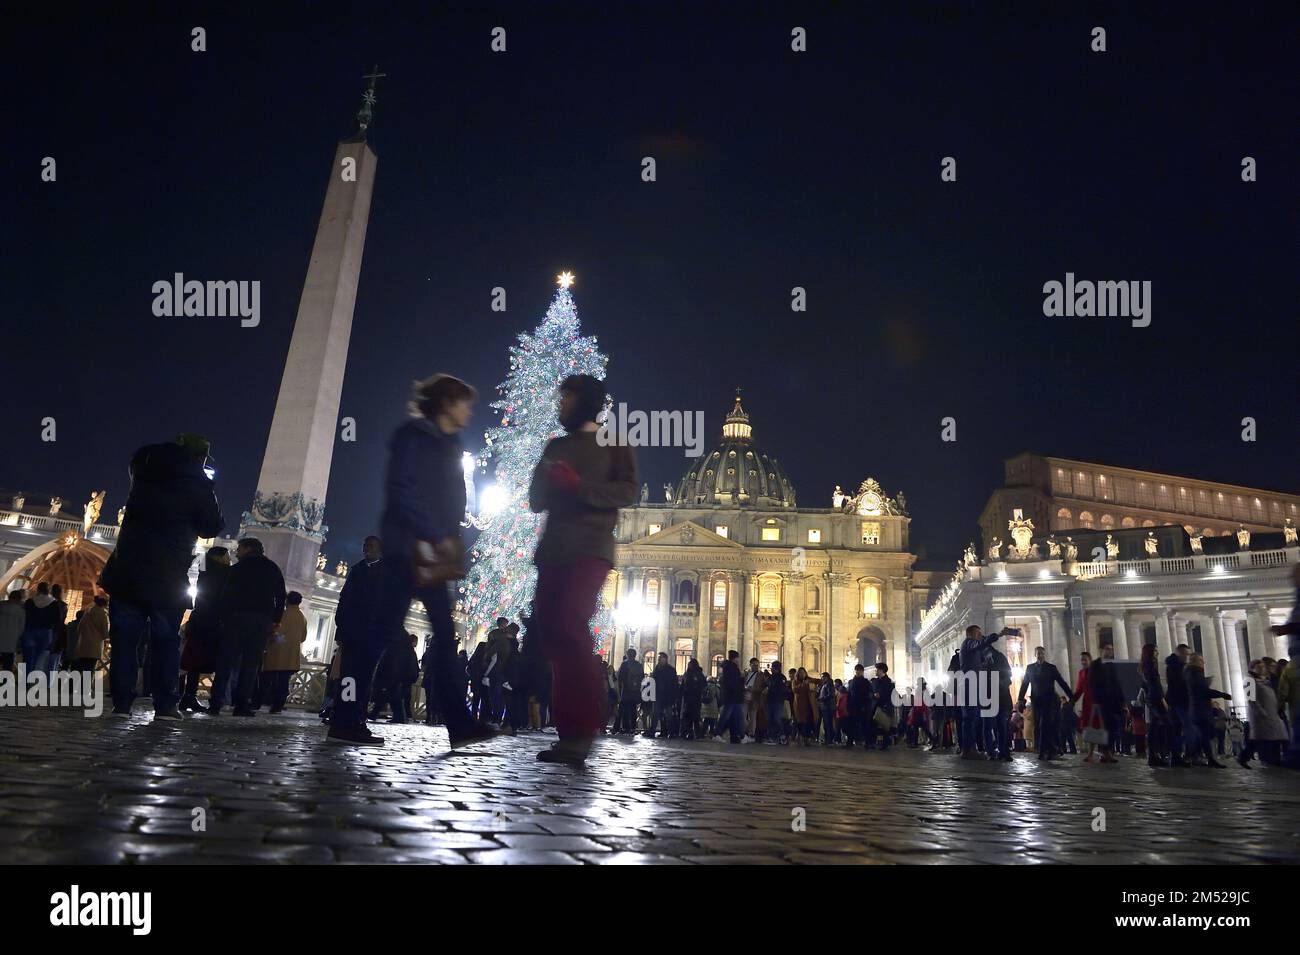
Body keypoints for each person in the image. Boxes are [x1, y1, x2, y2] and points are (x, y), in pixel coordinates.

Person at [332, 374, 496, 749]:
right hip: (407, 549)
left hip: (431, 552)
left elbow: (452, 499)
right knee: (379, 637)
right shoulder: (413, 437)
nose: (470, 410)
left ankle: (459, 723)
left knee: (441, 632)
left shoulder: (450, 444)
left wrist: (448, 537)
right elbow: (402, 490)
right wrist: (435, 534)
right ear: (445, 404)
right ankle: (346, 715)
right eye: (464, 403)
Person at [527, 375, 637, 764]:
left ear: (585, 402)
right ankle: (567, 732)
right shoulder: (556, 446)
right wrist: (547, 479)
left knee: (572, 625)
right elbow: (535, 501)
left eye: (566, 398)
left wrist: (579, 486)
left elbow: (627, 491)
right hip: (553, 549)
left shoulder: (615, 443)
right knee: (553, 634)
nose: (560, 405)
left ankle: (585, 725)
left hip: (591, 548)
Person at [99, 433, 225, 719]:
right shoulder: (198, 485)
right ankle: (166, 705)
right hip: (167, 577)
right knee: (166, 642)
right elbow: (211, 527)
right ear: (199, 458)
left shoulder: (144, 471)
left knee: (124, 641)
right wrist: (208, 488)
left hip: (126, 571)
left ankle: (121, 703)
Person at [211, 538, 285, 718]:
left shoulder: (236, 569)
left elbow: (225, 595)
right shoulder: (272, 568)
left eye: (239, 548)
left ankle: (215, 704)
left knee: (226, 662)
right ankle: (242, 705)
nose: (237, 552)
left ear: (248, 549)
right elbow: (281, 596)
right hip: (262, 621)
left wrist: (222, 617)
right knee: (251, 665)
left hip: (236, 618)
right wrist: (275, 620)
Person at [179, 546, 229, 713]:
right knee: (214, 662)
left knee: (194, 663)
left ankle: (188, 696)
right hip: (213, 623)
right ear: (219, 557)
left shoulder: (205, 570)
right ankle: (214, 700)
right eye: (227, 556)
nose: (230, 559)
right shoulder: (223, 573)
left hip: (198, 622)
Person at [958, 624, 1016, 758]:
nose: (980, 635)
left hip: (973, 685)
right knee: (970, 718)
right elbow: (980, 643)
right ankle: (968, 750)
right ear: (970, 634)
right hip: (970, 685)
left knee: (973, 718)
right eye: (978, 633)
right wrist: (999, 635)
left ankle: (970, 748)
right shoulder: (969, 643)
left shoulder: (975, 649)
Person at [1018, 646, 1073, 761]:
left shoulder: (1051, 668)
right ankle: (1048, 749)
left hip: (1050, 701)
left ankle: (1043, 751)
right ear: (1035, 654)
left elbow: (1061, 682)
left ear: (1045, 654)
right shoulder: (1030, 668)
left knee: (1045, 725)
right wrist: (1020, 699)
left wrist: (1072, 696)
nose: (1040, 655)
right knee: (1039, 726)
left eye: (1042, 653)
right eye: (1038, 653)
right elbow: (1025, 684)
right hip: (1037, 702)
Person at [261, 590, 307, 713]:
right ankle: (278, 706)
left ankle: (259, 702)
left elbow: (272, 632)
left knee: (268, 681)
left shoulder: (282, 614)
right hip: (291, 657)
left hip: (275, 654)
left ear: (287, 601)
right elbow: (303, 638)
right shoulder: (302, 617)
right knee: (283, 683)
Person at [1185, 653, 1230, 768]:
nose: (1203, 663)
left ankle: (1196, 756)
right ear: (1195, 661)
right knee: (1205, 735)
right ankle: (1206, 758)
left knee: (1203, 735)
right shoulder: (1195, 673)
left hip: (1197, 709)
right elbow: (1203, 691)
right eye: (1201, 660)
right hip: (1200, 709)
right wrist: (1222, 694)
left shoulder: (1191, 673)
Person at [1239, 659, 1287, 767]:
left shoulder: (1264, 680)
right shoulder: (1249, 680)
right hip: (1260, 716)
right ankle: (1244, 757)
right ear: (1252, 668)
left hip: (1271, 714)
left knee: (1264, 739)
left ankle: (1271, 759)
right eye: (1258, 667)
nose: (1261, 669)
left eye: (1262, 667)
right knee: (1259, 739)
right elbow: (1251, 700)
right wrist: (1261, 712)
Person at [1087, 643, 1125, 764]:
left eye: (1111, 649)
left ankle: (1108, 752)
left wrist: (1122, 700)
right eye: (1108, 649)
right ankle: (1105, 753)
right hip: (1101, 702)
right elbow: (1091, 684)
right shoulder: (1095, 665)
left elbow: (1117, 684)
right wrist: (1095, 701)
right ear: (1101, 650)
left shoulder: (1112, 665)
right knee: (1104, 728)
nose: (1110, 652)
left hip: (1113, 702)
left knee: (1113, 728)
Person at [1139, 643, 1170, 767]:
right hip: (1156, 699)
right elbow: (1154, 684)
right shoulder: (1150, 666)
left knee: (1155, 727)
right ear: (1150, 652)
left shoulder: (1146, 666)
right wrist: (1162, 699)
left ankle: (1155, 755)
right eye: (1155, 651)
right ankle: (1156, 754)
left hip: (1152, 699)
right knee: (1159, 727)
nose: (1157, 653)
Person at [21, 582, 62, 676]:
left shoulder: (30, 602)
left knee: (28, 657)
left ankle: (26, 680)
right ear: (49, 591)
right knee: (38, 658)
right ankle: (33, 679)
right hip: (46, 633)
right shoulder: (54, 603)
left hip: (30, 631)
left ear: (38, 590)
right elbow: (57, 620)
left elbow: (25, 617)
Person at [1164, 644, 1193, 766]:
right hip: (1179, 702)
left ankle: (1177, 756)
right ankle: (1180, 755)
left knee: (1178, 730)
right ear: (1179, 653)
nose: (1187, 657)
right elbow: (1178, 684)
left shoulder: (1175, 666)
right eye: (1185, 654)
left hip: (1176, 702)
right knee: (1187, 730)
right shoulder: (1176, 668)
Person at [71, 596, 110, 672]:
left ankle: (73, 684)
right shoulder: (103, 615)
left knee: (79, 670)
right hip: (95, 648)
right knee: (89, 671)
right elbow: (105, 634)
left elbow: (79, 628)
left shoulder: (87, 613)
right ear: (105, 605)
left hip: (83, 646)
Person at [714, 650, 747, 743]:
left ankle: (741, 736)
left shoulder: (727, 667)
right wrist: (741, 679)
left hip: (733, 696)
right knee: (725, 716)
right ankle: (717, 734)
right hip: (732, 696)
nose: (739, 660)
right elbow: (733, 683)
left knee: (737, 717)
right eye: (738, 658)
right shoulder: (731, 668)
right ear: (735, 658)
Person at [647, 652, 677, 738]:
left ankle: (671, 732)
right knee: (655, 714)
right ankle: (652, 731)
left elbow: (674, 684)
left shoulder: (671, 670)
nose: (659, 660)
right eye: (658, 658)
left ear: (665, 659)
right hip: (658, 695)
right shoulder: (657, 668)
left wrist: (673, 696)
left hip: (667, 696)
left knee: (669, 716)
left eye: (660, 658)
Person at [1074, 651, 1097, 762]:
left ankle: (1106, 752)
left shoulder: (1097, 672)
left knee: (1100, 727)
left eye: (1085, 659)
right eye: (1082, 660)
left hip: (1098, 703)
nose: (1083, 662)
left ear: (1090, 660)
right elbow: (1079, 690)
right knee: (1089, 728)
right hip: (1087, 704)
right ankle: (1091, 753)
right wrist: (1072, 701)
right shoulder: (1081, 673)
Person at [615, 648, 644, 735]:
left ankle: (626, 728)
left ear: (627, 654)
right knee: (633, 710)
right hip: (635, 691)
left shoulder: (625, 664)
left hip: (626, 690)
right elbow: (642, 677)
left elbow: (620, 677)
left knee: (625, 710)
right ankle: (633, 728)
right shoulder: (638, 665)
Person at [846, 663, 872, 749]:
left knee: (864, 725)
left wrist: (865, 706)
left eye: (859, 670)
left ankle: (867, 742)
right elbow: (849, 694)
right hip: (852, 706)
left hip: (861, 706)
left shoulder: (866, 682)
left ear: (862, 672)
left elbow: (867, 695)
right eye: (857, 670)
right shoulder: (851, 682)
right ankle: (850, 741)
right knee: (851, 725)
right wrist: (848, 705)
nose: (858, 672)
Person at [870, 662, 896, 750]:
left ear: (881, 670)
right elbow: (870, 692)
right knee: (872, 724)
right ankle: (872, 742)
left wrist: (881, 695)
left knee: (884, 725)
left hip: (884, 706)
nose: (875, 671)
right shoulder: (874, 681)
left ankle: (885, 743)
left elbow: (891, 695)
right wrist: (874, 695)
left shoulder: (889, 682)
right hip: (875, 706)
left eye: (877, 670)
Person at [0, 590, 26, 673]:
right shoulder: (21, 612)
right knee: (7, 665)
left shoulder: (1, 607)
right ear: (19, 599)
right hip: (11, 642)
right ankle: (5, 682)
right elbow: (21, 628)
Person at [680, 658, 705, 740]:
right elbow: (683, 685)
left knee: (695, 716)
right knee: (688, 716)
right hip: (688, 698)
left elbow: (703, 684)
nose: (689, 666)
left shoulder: (698, 674)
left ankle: (696, 733)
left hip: (695, 698)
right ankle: (689, 732)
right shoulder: (687, 674)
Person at [47, 585, 69, 673]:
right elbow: (61, 619)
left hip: (48, 631)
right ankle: (49, 682)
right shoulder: (63, 606)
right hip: (58, 633)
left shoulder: (48, 603)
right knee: (54, 660)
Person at [744, 658, 767, 741]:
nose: (756, 667)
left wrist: (753, 689)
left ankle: (751, 734)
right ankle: (745, 731)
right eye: (754, 665)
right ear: (750, 665)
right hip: (745, 697)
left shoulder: (761, 675)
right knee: (743, 717)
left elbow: (763, 687)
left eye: (757, 665)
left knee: (752, 718)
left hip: (755, 698)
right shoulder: (745, 674)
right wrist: (745, 688)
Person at [765, 662, 789, 744]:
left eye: (773, 667)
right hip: (769, 701)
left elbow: (781, 690)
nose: (771, 668)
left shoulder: (781, 677)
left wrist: (771, 690)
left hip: (778, 702)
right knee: (769, 719)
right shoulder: (770, 677)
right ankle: (771, 737)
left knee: (777, 719)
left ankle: (782, 736)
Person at [792, 667, 816, 745]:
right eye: (800, 673)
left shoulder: (809, 680)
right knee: (800, 722)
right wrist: (804, 685)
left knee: (809, 722)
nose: (802, 674)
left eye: (803, 673)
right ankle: (800, 737)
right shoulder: (795, 681)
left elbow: (817, 681)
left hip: (809, 705)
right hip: (799, 705)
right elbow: (795, 690)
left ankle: (807, 738)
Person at [818, 672, 838, 745]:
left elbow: (831, 695)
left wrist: (822, 698)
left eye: (823, 677)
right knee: (826, 724)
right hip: (825, 707)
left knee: (828, 724)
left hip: (828, 707)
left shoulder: (829, 684)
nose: (822, 678)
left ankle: (829, 739)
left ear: (827, 677)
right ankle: (828, 739)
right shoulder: (825, 684)